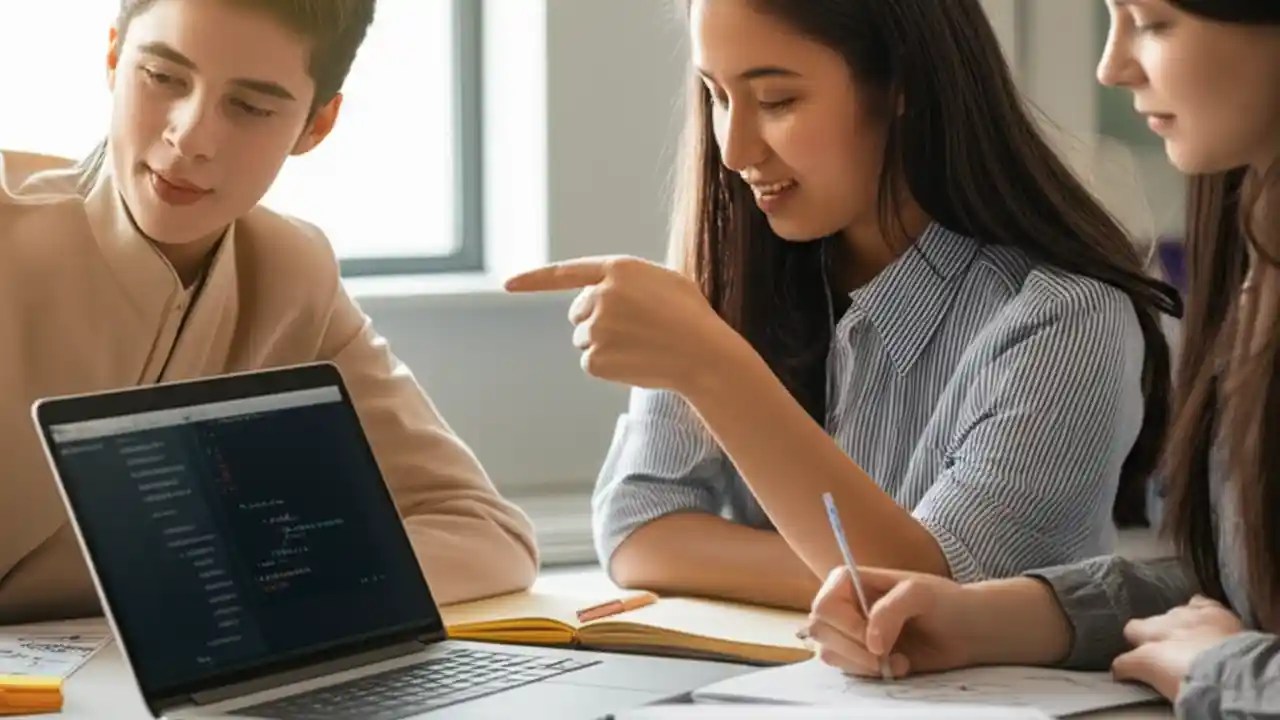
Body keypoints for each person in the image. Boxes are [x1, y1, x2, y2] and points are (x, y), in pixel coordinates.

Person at [505, 0, 1178, 609]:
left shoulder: (1066, 321)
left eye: (776, 100)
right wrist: (861, 575)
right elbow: (638, 531)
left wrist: (717, 371)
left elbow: (950, 607)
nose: (735, 151)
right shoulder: (739, 273)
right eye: (715, 95)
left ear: (903, 86)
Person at [803, 1, 1280, 716]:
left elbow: (1230, 638)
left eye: (1152, 23)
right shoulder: (1253, 275)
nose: (1111, 66)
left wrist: (1230, 671)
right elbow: (1243, 591)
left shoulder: (1063, 312)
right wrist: (992, 619)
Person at [0, 0, 538, 625]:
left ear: (316, 125)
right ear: (115, 56)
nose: (191, 137)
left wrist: (242, 582)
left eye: (250, 106)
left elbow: (485, 533)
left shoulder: (289, 273)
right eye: (163, 77)